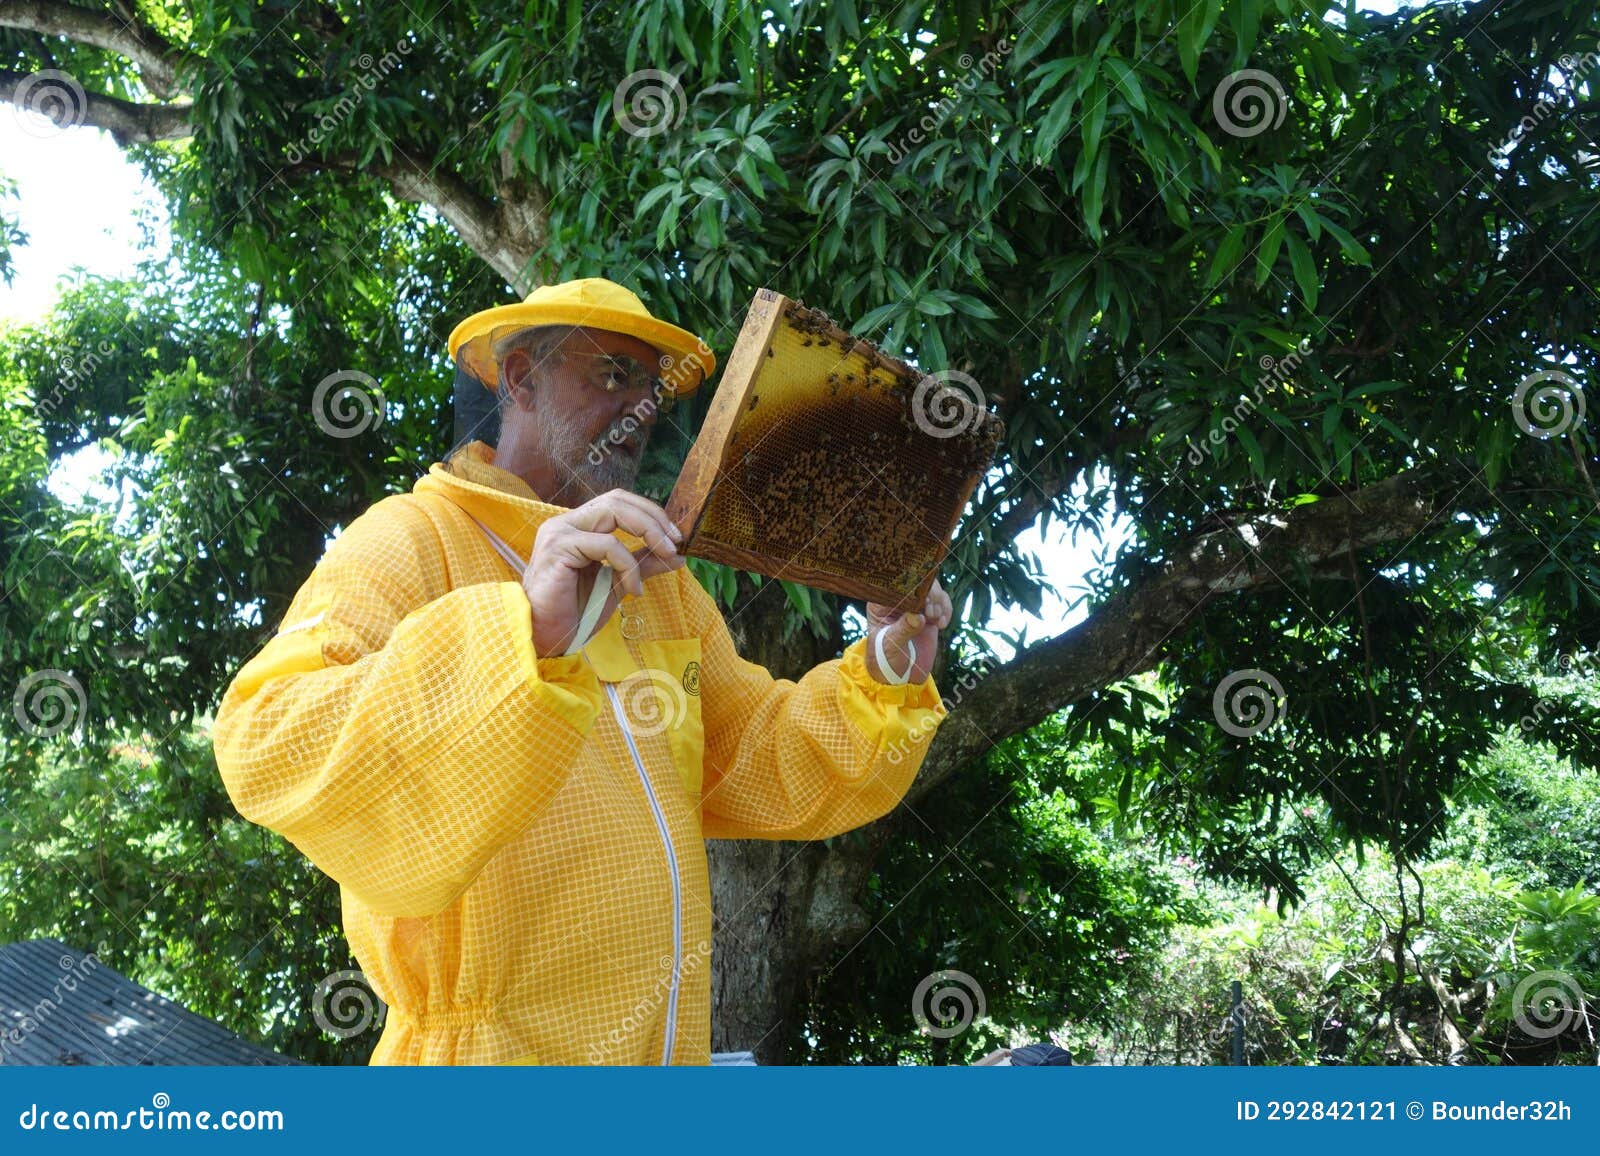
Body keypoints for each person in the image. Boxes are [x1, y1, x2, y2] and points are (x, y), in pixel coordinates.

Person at [212, 277, 951, 1065]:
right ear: (522, 378)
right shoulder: (410, 537)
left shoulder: (658, 591)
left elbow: (758, 755)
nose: (641, 409)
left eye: (651, 386)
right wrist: (523, 631)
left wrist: (885, 663)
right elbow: (268, 741)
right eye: (612, 374)